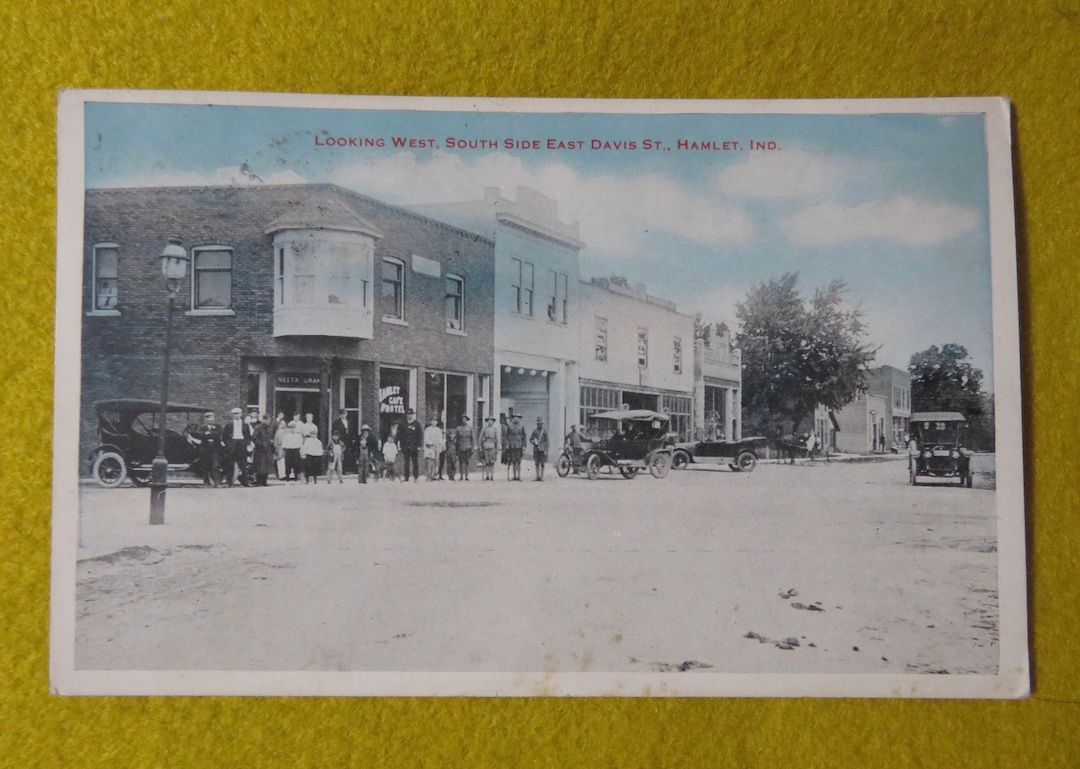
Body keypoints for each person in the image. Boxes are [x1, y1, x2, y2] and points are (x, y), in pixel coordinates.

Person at [189, 411, 221, 487]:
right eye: (208, 418)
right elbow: (201, 435)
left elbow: (218, 434)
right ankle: (206, 482)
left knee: (215, 466)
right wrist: (210, 434)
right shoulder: (202, 428)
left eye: (211, 417)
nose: (210, 419)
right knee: (206, 466)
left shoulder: (218, 427)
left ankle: (216, 482)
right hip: (205, 449)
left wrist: (209, 433)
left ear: (214, 418)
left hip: (215, 450)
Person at [222, 407, 252, 487]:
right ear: (233, 415)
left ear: (241, 414)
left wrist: (245, 443)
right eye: (235, 414)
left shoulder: (245, 425)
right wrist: (229, 444)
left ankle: (245, 482)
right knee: (230, 464)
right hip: (233, 444)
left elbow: (248, 436)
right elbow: (224, 437)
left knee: (243, 464)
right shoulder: (229, 425)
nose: (237, 415)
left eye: (238, 413)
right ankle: (229, 482)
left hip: (242, 444)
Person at [399, 409, 423, 482]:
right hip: (406, 446)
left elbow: (420, 435)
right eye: (408, 415)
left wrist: (419, 445)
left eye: (411, 415)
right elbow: (399, 435)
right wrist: (400, 445)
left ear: (413, 415)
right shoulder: (402, 424)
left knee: (415, 462)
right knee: (406, 462)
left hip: (414, 446)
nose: (410, 416)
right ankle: (406, 477)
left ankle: (416, 477)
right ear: (406, 415)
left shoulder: (417, 424)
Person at [251, 414, 274, 486]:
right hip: (260, 450)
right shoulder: (258, 427)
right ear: (264, 420)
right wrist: (261, 444)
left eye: (269, 420)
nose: (268, 421)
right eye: (267, 420)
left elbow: (270, 437)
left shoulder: (269, 428)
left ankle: (264, 481)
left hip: (267, 449)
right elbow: (254, 438)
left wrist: (270, 441)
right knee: (259, 466)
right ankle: (259, 481)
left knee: (266, 466)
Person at [300, 413, 323, 483]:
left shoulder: (315, 426)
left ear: (312, 418)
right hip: (306, 441)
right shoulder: (303, 426)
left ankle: (313, 478)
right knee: (307, 463)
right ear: (306, 418)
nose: (309, 419)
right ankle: (306, 477)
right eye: (307, 418)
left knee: (314, 464)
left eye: (310, 418)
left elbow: (316, 435)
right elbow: (302, 434)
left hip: (313, 444)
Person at [505, 413, 527, 481]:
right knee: (513, 461)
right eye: (514, 417)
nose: (516, 418)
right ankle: (514, 476)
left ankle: (519, 476)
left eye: (517, 417)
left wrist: (524, 445)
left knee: (519, 461)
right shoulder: (510, 426)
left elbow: (524, 436)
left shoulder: (521, 426)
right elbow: (506, 436)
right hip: (512, 445)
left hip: (519, 445)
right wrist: (507, 444)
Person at [479, 415, 500, 481]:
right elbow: (480, 438)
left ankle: (492, 476)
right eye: (488, 420)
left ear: (493, 422)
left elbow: (497, 439)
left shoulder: (495, 429)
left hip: (492, 446)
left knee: (492, 462)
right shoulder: (484, 429)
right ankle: (487, 476)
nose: (490, 422)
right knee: (486, 462)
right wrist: (480, 447)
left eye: (491, 420)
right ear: (487, 421)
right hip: (485, 446)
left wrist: (497, 448)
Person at [423, 415, 444, 481]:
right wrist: (429, 445)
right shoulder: (428, 429)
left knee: (436, 462)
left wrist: (440, 446)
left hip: (437, 447)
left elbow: (440, 439)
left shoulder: (438, 430)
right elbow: (426, 439)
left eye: (435, 421)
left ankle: (435, 475)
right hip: (430, 447)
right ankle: (429, 475)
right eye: (432, 421)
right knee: (429, 462)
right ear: (430, 422)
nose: (434, 422)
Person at [454, 415, 474, 481]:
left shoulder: (470, 428)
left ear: (467, 420)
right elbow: (456, 439)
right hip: (460, 447)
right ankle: (461, 476)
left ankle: (466, 476)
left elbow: (472, 439)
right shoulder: (458, 428)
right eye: (463, 419)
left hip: (468, 447)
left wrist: (472, 448)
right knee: (461, 462)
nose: (464, 421)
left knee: (467, 462)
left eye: (465, 419)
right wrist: (456, 448)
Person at [530, 417, 549, 481]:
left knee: (542, 464)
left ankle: (542, 476)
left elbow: (547, 441)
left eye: (540, 424)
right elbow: (531, 439)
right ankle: (537, 476)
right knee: (536, 463)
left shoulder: (544, 432)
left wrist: (546, 450)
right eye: (538, 424)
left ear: (542, 424)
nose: (539, 425)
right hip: (536, 449)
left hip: (542, 450)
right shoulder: (534, 431)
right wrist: (533, 442)